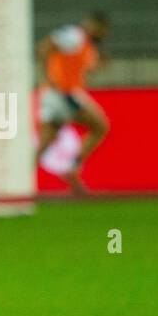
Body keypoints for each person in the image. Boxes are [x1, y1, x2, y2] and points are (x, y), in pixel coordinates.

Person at [36, 12, 111, 194]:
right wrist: (47, 76)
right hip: (64, 94)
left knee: (45, 142)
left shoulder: (87, 46)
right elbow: (45, 46)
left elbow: (77, 66)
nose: (104, 35)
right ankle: (73, 168)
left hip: (56, 94)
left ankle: (18, 181)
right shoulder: (75, 35)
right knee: (100, 126)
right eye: (103, 30)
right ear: (95, 26)